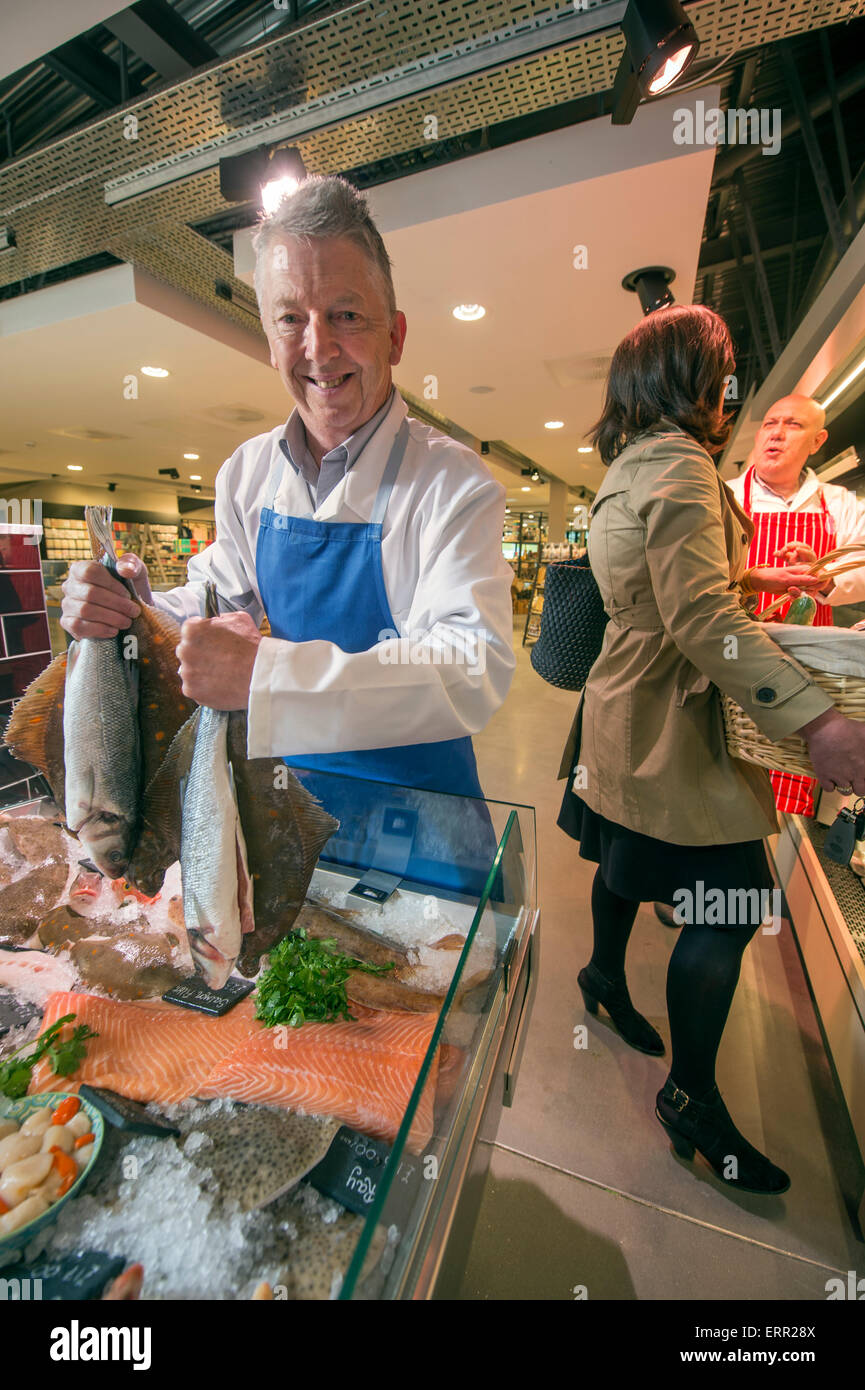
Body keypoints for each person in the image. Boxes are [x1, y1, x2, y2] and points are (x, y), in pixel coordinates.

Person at [60, 175, 515, 892]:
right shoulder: (246, 474)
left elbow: (469, 670)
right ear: (267, 337)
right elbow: (218, 597)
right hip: (282, 812)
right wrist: (133, 603)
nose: (318, 347)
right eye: (289, 319)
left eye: (345, 314)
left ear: (394, 335)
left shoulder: (452, 484)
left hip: (422, 825)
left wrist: (266, 676)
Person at [557, 304, 865, 1197]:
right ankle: (689, 1097)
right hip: (671, 719)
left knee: (616, 855)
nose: (733, 397)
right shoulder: (689, 472)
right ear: (697, 381)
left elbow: (661, 582)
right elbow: (698, 618)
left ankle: (603, 976)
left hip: (617, 706)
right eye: (724, 376)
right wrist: (815, 720)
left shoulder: (629, 466)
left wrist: (759, 571)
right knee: (728, 907)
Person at [728, 394, 865, 817]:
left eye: (793, 425)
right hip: (737, 656)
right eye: (770, 423)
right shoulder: (728, 496)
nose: (776, 433)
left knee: (798, 776)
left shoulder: (839, 502)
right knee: (736, 776)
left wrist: (826, 577)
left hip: (814, 664)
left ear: (817, 440)